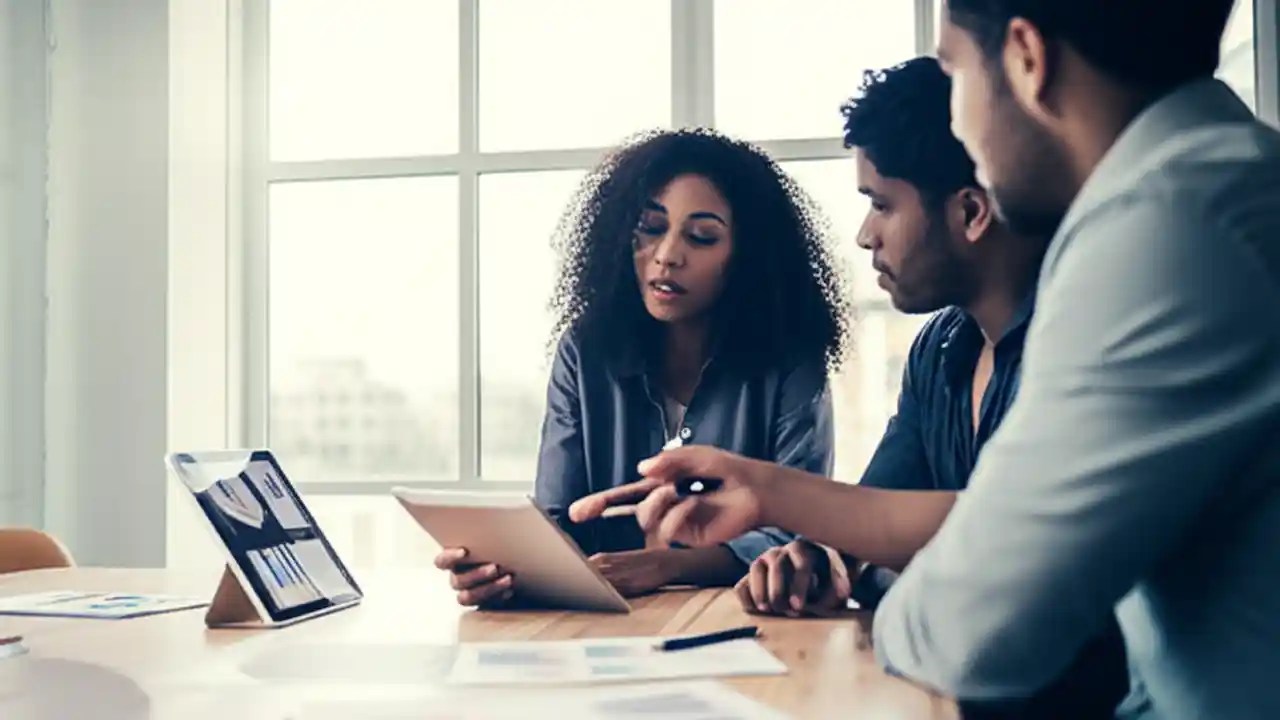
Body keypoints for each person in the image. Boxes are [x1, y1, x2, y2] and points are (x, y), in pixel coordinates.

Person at [571, 1, 1280, 716]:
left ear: (1028, 59)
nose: (959, 120)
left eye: (955, 70)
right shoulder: (1211, 192)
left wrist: (899, 576)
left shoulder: (1173, 231)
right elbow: (930, 532)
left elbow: (975, 632)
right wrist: (798, 517)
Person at [739, 57, 1127, 719]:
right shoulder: (940, 347)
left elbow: (1005, 575)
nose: (865, 235)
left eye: (881, 204)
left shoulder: (1083, 348)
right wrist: (825, 558)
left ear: (971, 212)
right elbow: (879, 512)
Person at [435, 128, 853, 607]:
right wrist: (503, 570)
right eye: (651, 228)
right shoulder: (585, 351)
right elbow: (559, 520)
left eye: (702, 237)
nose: (667, 255)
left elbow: (802, 533)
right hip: (597, 627)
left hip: (743, 623)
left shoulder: (791, 360)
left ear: (749, 257)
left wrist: (669, 566)